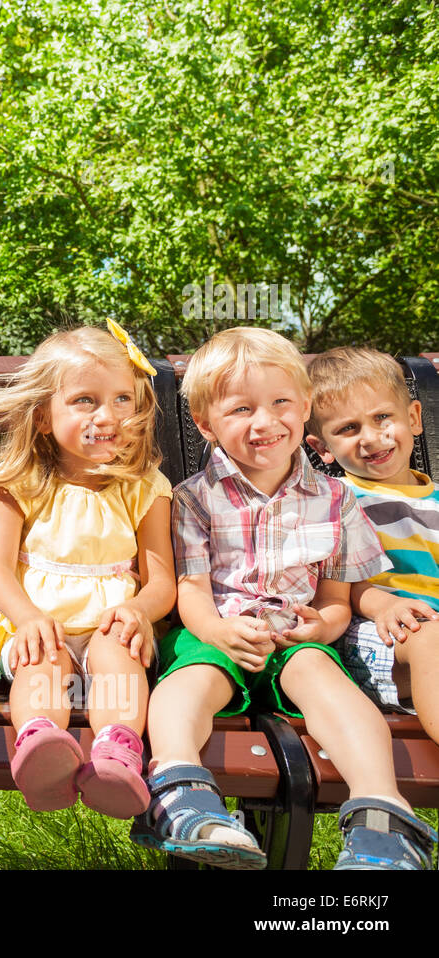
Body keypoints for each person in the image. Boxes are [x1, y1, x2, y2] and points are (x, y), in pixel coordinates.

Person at [134, 327, 435, 870]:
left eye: (280, 403)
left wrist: (321, 629)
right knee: (188, 682)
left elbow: (337, 600)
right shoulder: (191, 499)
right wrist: (217, 631)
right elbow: (191, 593)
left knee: (326, 681)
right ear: (205, 424)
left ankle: (383, 820)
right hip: (218, 631)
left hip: (298, 639)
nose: (264, 421)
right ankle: (179, 792)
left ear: (304, 407)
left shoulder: (337, 497)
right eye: (241, 409)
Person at [0, 321, 174, 821]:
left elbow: (161, 580)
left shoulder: (144, 486)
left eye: (123, 399)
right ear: (41, 417)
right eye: (85, 401)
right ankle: (41, 747)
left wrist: (139, 611)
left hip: (110, 622)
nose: (108, 416)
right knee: (42, 664)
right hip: (41, 623)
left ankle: (116, 755)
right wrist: (27, 617)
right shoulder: (22, 482)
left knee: (117, 653)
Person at [306, 347, 439, 741]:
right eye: (348, 429)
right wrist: (386, 604)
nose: (370, 438)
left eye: (382, 417)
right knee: (429, 638)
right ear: (322, 448)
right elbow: (334, 584)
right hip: (376, 636)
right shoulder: (336, 501)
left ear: (413, 418)